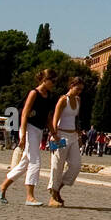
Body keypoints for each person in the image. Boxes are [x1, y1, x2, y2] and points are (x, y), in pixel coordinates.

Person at [0, 69, 58, 206]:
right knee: (35, 161)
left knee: (24, 163)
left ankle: (2, 187)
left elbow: (48, 117)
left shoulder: (49, 96)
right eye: (52, 81)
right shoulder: (33, 93)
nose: (54, 84)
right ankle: (30, 196)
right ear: (45, 80)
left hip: (39, 130)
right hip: (28, 128)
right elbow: (24, 114)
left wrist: (54, 133)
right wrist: (23, 135)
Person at [48, 77, 84, 207]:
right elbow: (55, 118)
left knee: (76, 165)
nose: (79, 91)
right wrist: (54, 135)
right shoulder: (63, 100)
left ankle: (57, 189)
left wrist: (79, 135)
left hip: (73, 135)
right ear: (71, 86)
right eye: (77, 88)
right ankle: (53, 195)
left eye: (81, 89)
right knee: (57, 165)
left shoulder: (78, 100)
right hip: (60, 135)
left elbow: (76, 119)